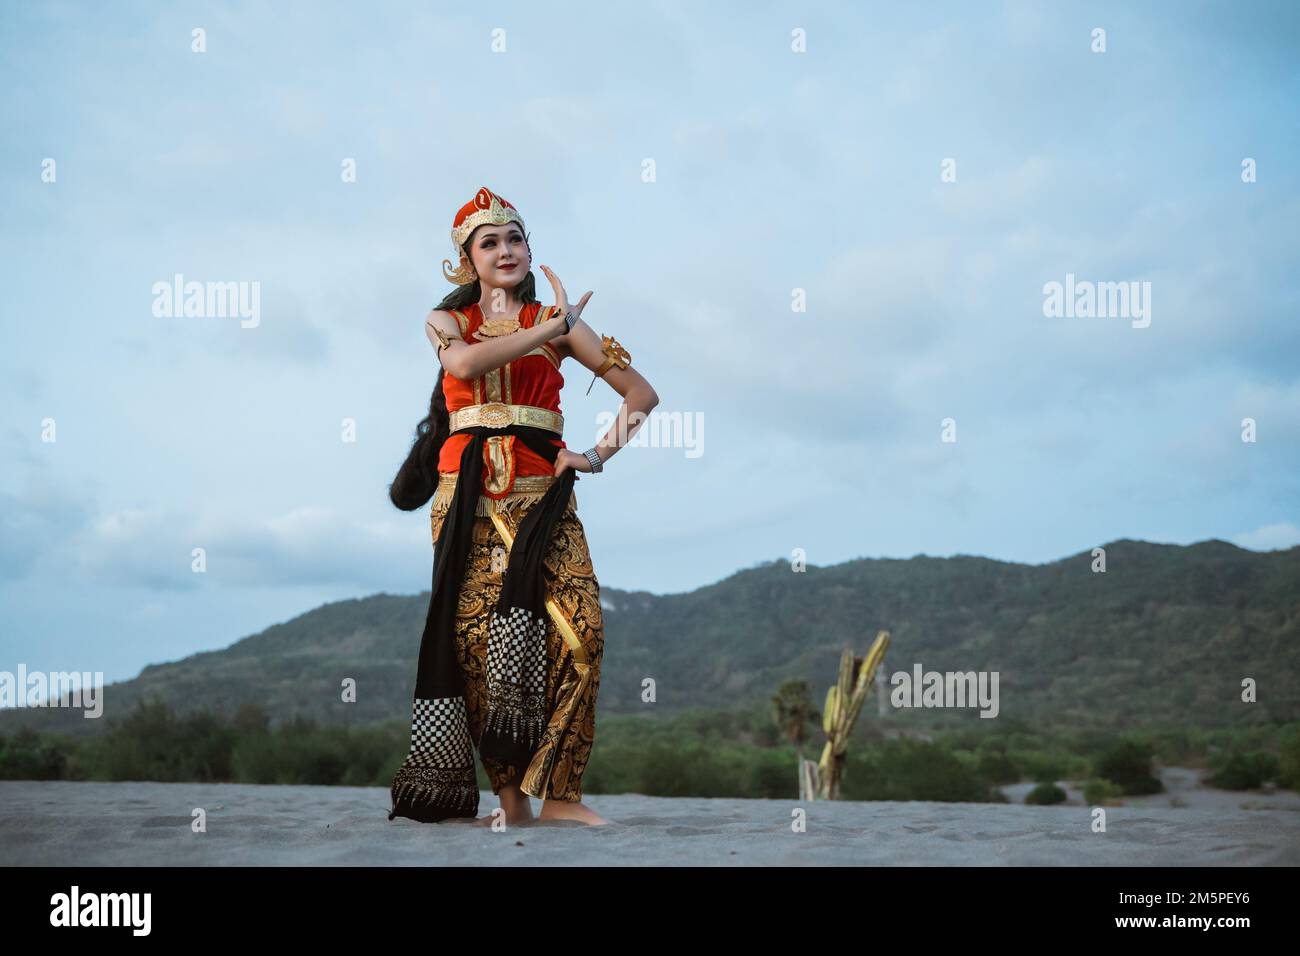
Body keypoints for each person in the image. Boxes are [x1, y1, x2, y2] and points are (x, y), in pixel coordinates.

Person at [387, 186, 659, 827]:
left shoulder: (561, 323)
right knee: (481, 645)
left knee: (583, 635)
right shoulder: (445, 320)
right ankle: (510, 799)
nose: (505, 250)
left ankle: (559, 794)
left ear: (529, 248)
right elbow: (465, 361)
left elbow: (642, 395)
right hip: (467, 499)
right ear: (466, 261)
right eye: (490, 242)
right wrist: (548, 330)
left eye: (515, 238)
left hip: (545, 498)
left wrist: (593, 455)